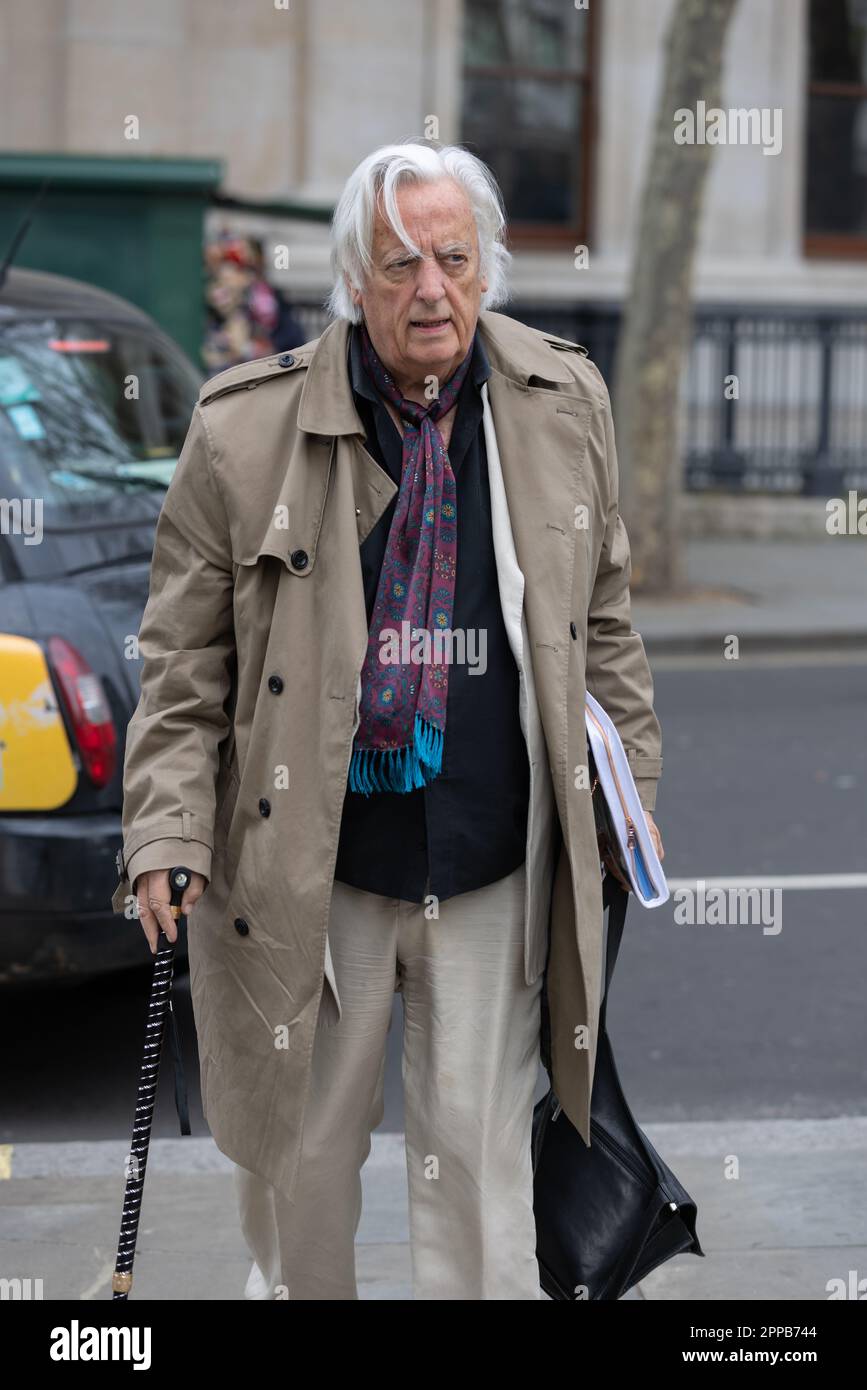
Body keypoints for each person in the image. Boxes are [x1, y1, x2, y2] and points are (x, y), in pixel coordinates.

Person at [111, 138, 665, 1301]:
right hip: (313, 870)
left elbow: (604, 624)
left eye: (454, 258)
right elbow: (180, 660)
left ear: (489, 266)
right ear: (354, 282)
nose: (431, 289)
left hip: (493, 864)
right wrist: (166, 830)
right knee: (301, 1167)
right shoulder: (242, 428)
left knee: (477, 1166)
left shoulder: (563, 401)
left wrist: (629, 805)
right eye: (400, 262)